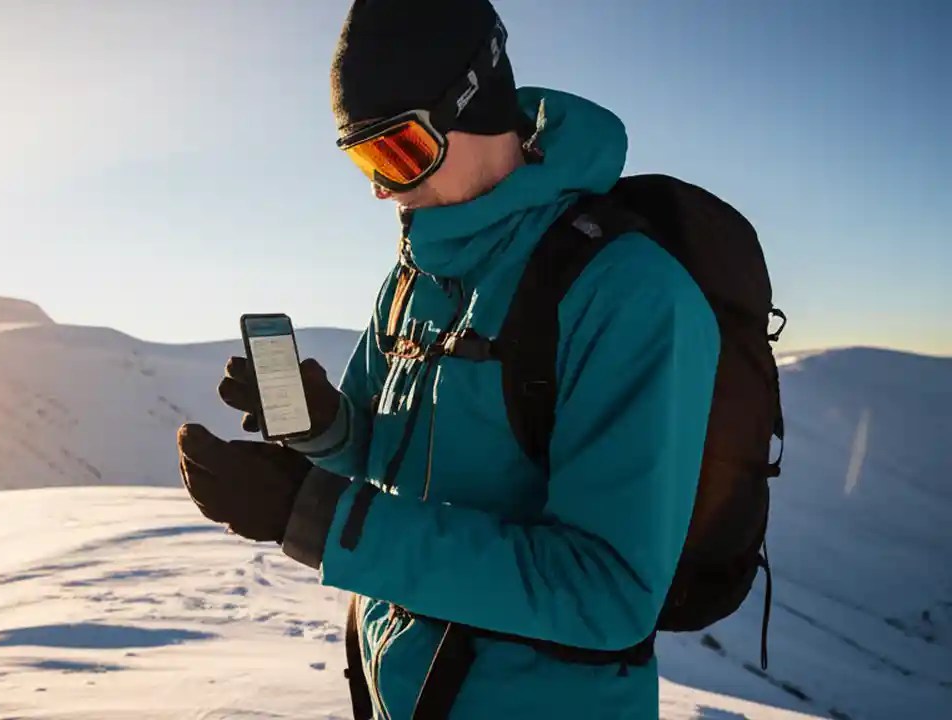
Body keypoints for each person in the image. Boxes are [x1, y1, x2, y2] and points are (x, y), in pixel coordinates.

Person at [176, 0, 721, 717]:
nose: (381, 189)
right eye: (363, 159)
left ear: (474, 104)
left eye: (397, 152)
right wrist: (328, 430)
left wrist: (310, 516)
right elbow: (391, 458)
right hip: (405, 688)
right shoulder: (414, 277)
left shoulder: (627, 291)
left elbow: (607, 592)